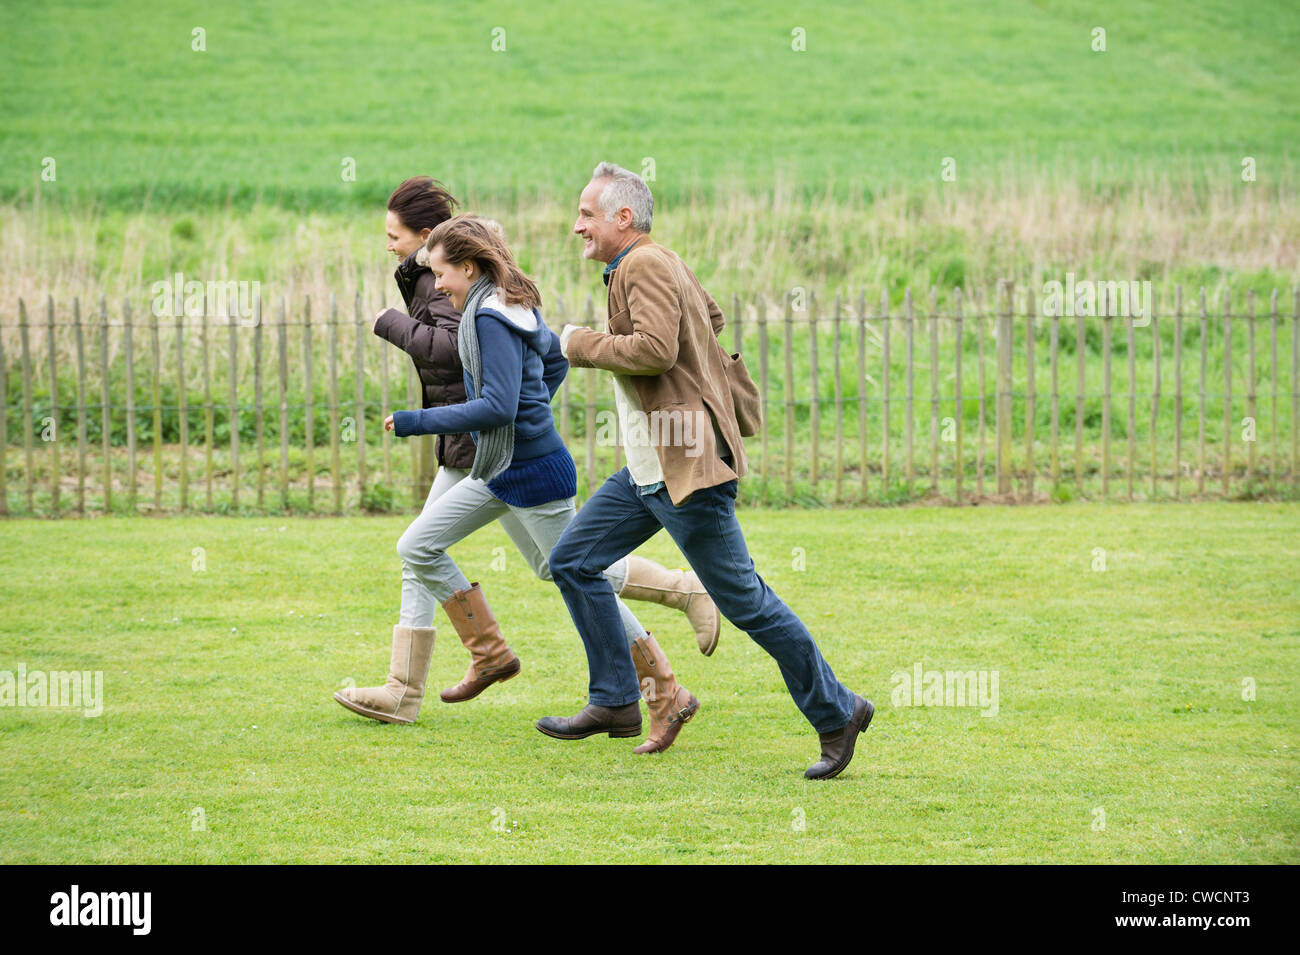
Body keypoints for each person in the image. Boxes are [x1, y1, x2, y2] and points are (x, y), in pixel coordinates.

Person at [539, 163, 874, 779]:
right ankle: (615, 700)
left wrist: (579, 343)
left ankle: (837, 711)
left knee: (747, 603)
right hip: (648, 469)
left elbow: (656, 349)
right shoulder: (649, 264)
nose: (576, 224)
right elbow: (709, 321)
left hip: (685, 469)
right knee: (573, 561)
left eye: (587, 213)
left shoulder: (643, 263)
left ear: (622, 218)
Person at [341, 213, 708, 754]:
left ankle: (665, 690)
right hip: (502, 468)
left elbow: (497, 405)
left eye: (442, 274)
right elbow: (553, 362)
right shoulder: (511, 301)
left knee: (581, 576)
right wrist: (533, 408)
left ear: (468, 267)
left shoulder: (490, 314)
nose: (437, 286)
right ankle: (489, 653)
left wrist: (417, 421)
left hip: (531, 473)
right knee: (425, 546)